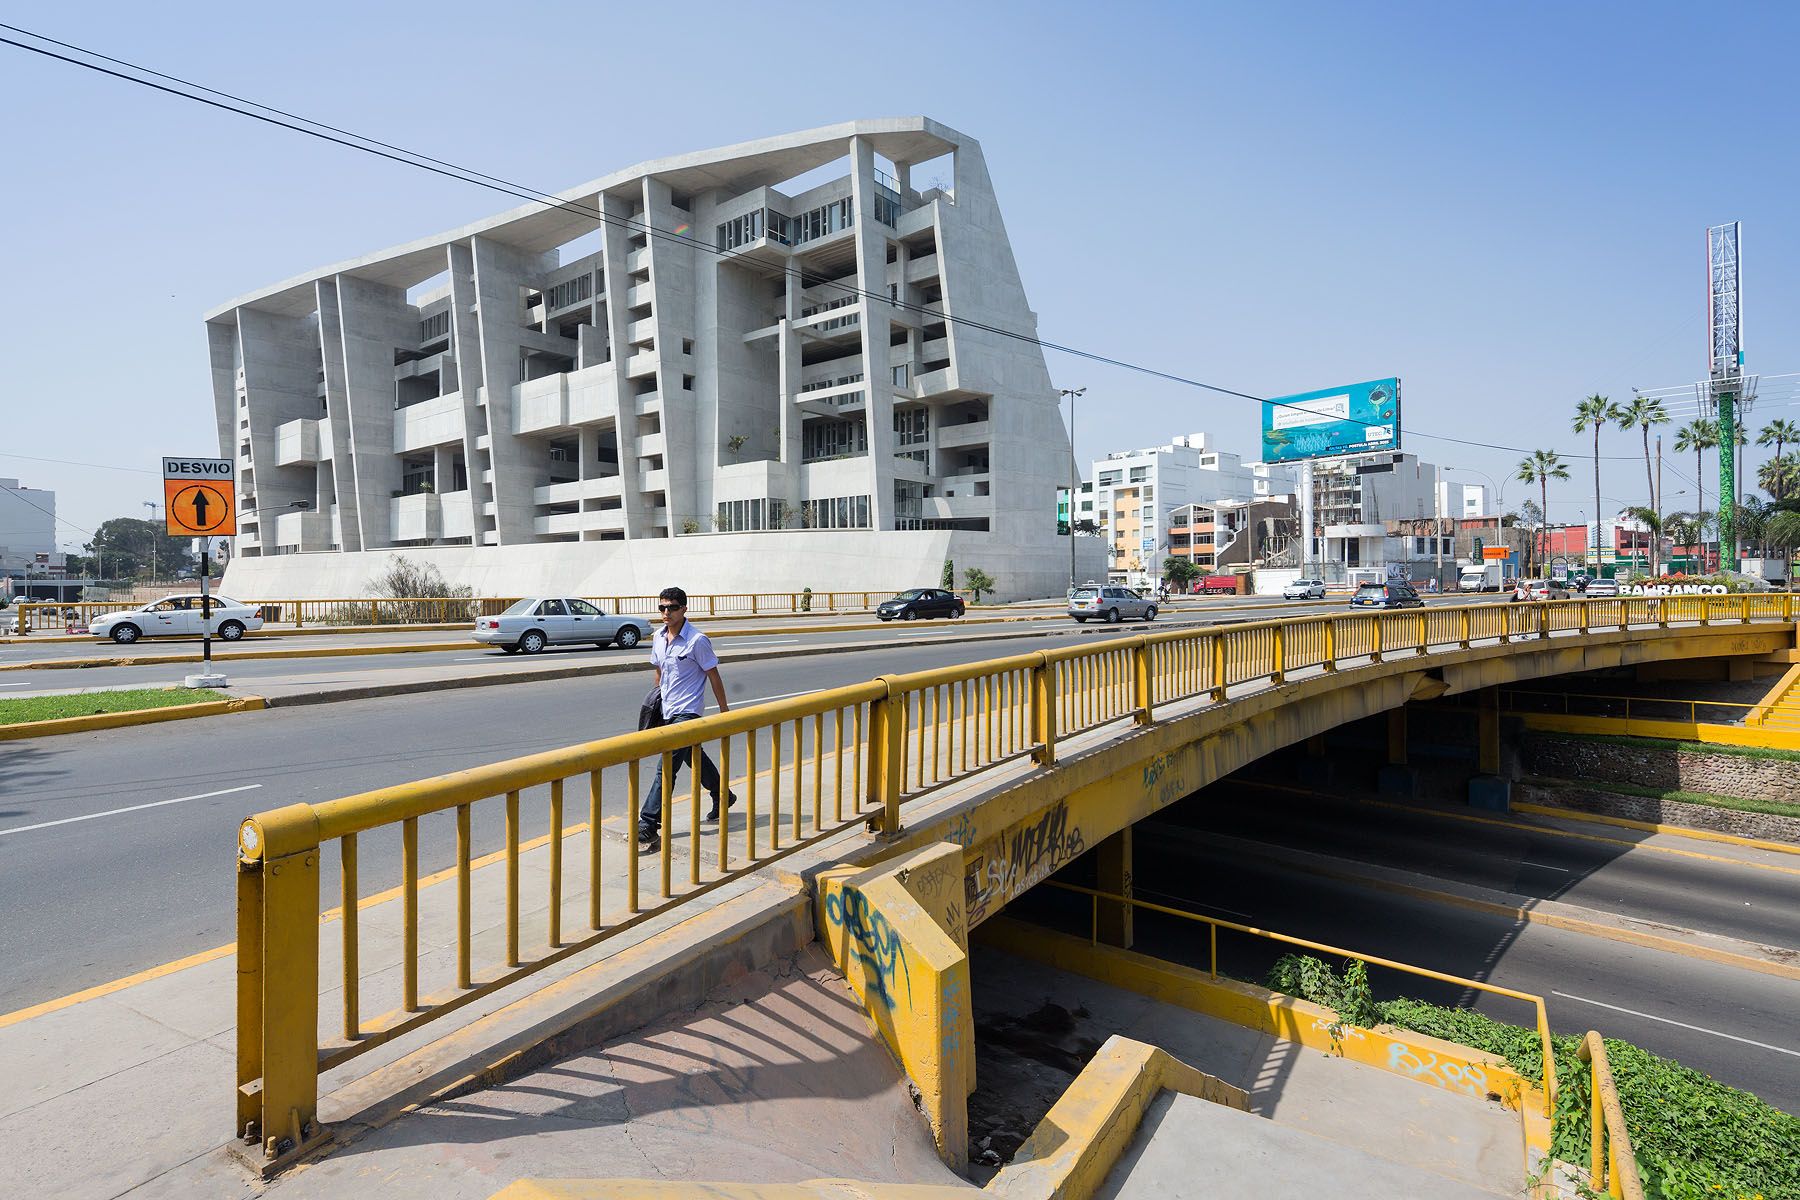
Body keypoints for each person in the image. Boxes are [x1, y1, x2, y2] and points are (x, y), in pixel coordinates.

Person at [636, 586, 735, 851]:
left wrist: (725, 712)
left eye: (672, 608)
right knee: (695, 757)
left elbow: (713, 675)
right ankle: (723, 796)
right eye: (662, 608)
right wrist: (657, 703)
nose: (666, 613)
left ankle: (647, 824)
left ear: (684, 609)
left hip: (688, 712)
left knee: (666, 765)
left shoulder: (697, 640)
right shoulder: (659, 637)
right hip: (668, 710)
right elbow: (659, 672)